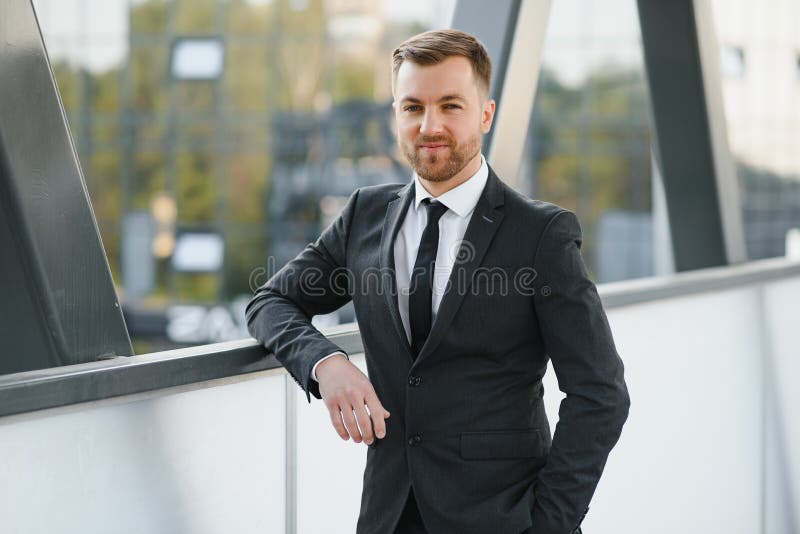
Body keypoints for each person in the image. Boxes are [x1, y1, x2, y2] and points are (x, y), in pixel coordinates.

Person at [246, 29, 630, 534]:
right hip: (388, 516)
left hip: (504, 519)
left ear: (486, 114)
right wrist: (326, 362)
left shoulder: (540, 235)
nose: (430, 125)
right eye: (412, 107)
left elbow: (600, 393)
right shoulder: (365, 214)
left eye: (451, 105)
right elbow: (270, 301)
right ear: (395, 116)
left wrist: (549, 524)